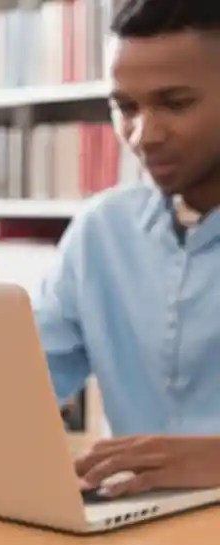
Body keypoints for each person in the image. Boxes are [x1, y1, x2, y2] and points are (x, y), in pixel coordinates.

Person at [35, 0, 220, 499]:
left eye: (176, 103)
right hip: (130, 531)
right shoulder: (102, 230)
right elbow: (19, 382)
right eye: (126, 107)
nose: (143, 135)